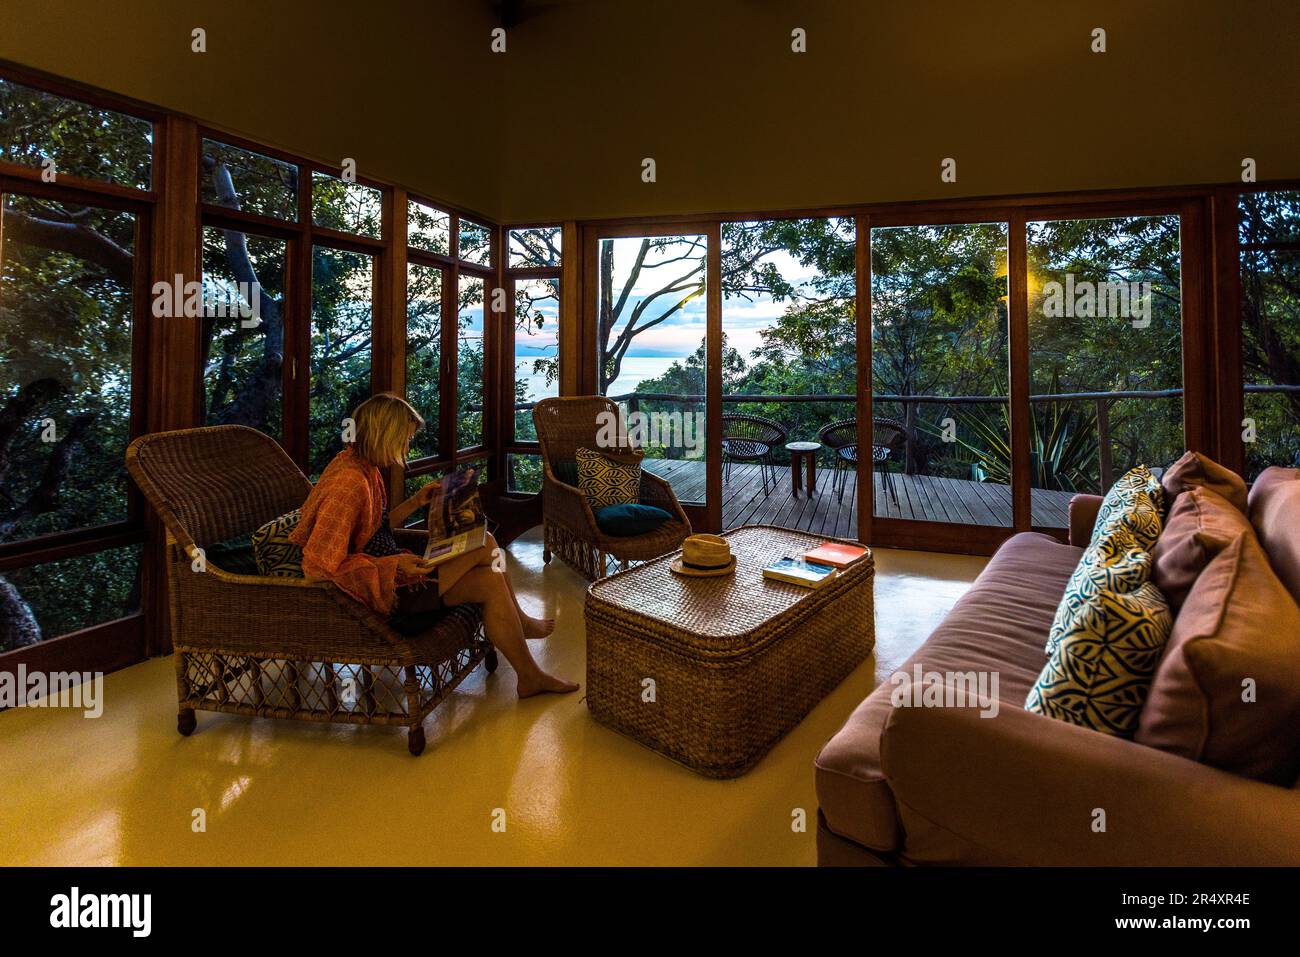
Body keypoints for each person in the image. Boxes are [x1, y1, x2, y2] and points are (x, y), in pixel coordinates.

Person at [290, 392, 578, 698]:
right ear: (384, 434)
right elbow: (318, 568)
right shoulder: (348, 484)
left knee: (490, 577)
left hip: (399, 572)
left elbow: (376, 527)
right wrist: (392, 565)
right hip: (388, 591)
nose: (406, 447)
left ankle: (529, 675)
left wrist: (416, 502)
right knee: (486, 543)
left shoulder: (363, 467)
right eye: (404, 439)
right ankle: (523, 632)